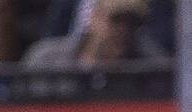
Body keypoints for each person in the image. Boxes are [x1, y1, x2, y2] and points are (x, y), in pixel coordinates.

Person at [24, 0, 166, 69]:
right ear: (94, 17)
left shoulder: (151, 67)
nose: (123, 30)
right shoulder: (47, 59)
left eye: (132, 23)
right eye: (116, 20)